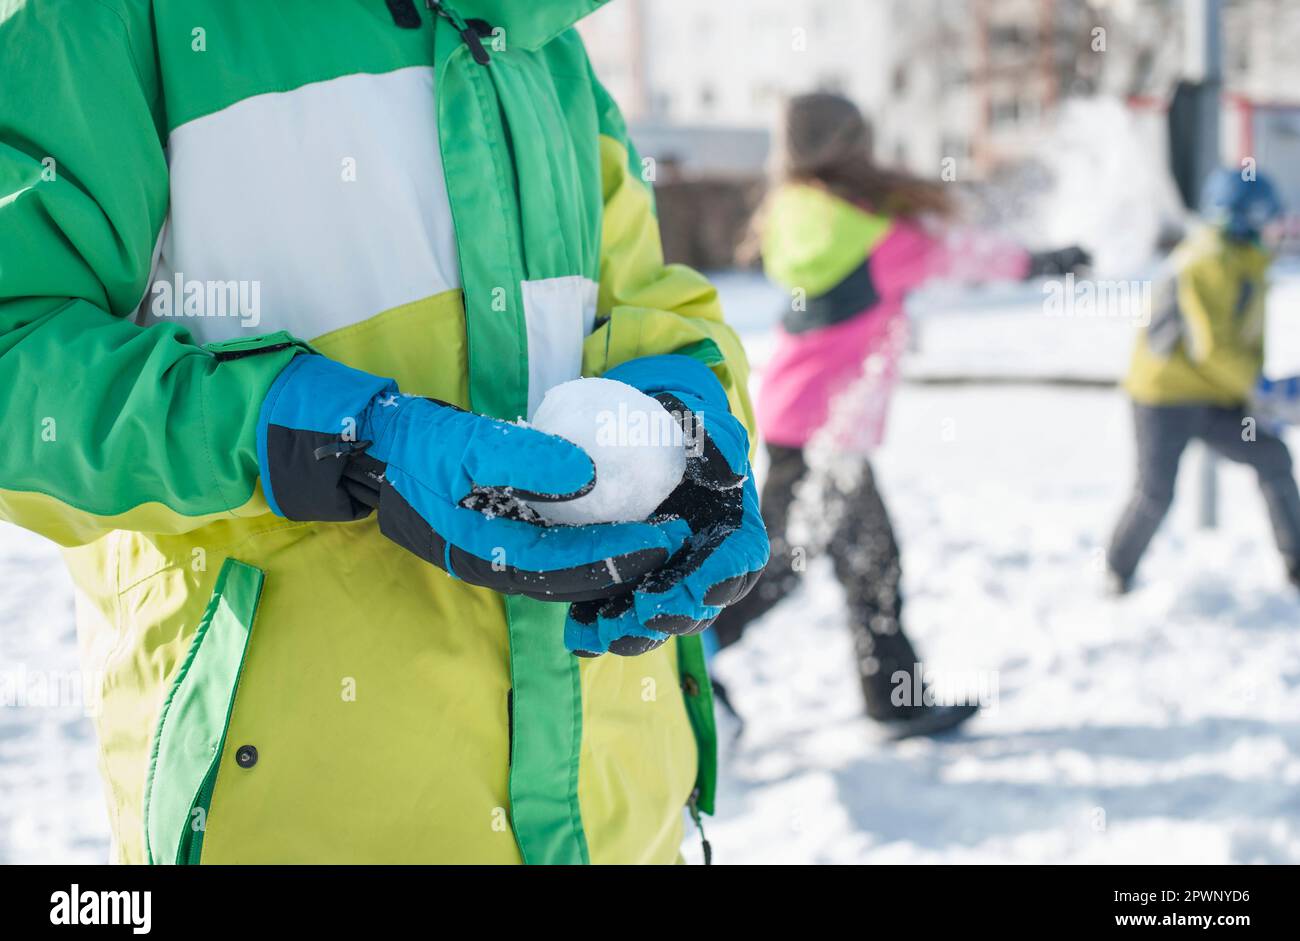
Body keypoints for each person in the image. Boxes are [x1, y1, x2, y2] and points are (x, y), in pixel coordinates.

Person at [0, 0, 768, 864]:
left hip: (624, 813)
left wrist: (685, 409)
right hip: (296, 820)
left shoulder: (543, 38)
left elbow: (649, 299)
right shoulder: (109, 20)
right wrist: (328, 439)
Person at [710, 92, 1088, 739]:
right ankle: (695, 657)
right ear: (854, 148)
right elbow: (969, 256)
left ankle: (893, 697)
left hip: (804, 416)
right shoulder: (884, 238)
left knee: (857, 560)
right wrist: (1043, 263)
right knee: (782, 566)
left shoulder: (800, 213)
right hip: (825, 428)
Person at [1108, 167, 1300, 594]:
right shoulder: (1208, 260)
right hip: (1166, 397)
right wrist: (1261, 389)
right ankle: (1116, 572)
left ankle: (1296, 565)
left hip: (1215, 395)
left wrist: (1262, 394)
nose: (1276, 228)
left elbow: (1241, 341)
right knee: (1155, 493)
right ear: (1243, 219)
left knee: (1272, 457)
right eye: (1268, 217)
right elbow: (1210, 347)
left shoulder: (1247, 260)